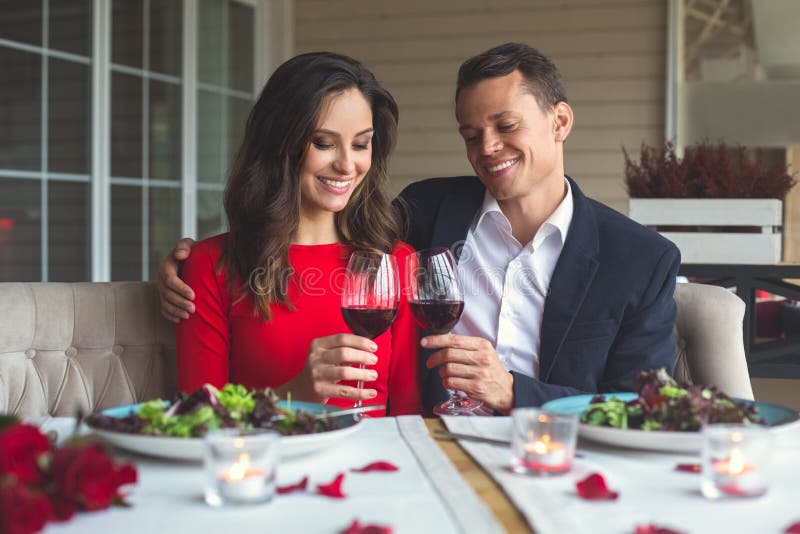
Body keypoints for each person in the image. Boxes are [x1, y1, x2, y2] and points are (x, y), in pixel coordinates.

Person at [160, 43, 679, 416]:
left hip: (549, 456)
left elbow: (643, 406)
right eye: (472, 134)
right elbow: (193, 416)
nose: (488, 148)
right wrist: (186, 259)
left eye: (506, 126)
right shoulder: (423, 218)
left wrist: (514, 391)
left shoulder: (639, 259)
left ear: (559, 122)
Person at [172, 51, 421, 416]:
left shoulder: (397, 263)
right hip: (261, 468)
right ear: (280, 143)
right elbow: (200, 418)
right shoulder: (211, 265)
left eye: (360, 144)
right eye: (323, 142)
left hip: (375, 469)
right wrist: (295, 393)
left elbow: (409, 418)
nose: (347, 164)